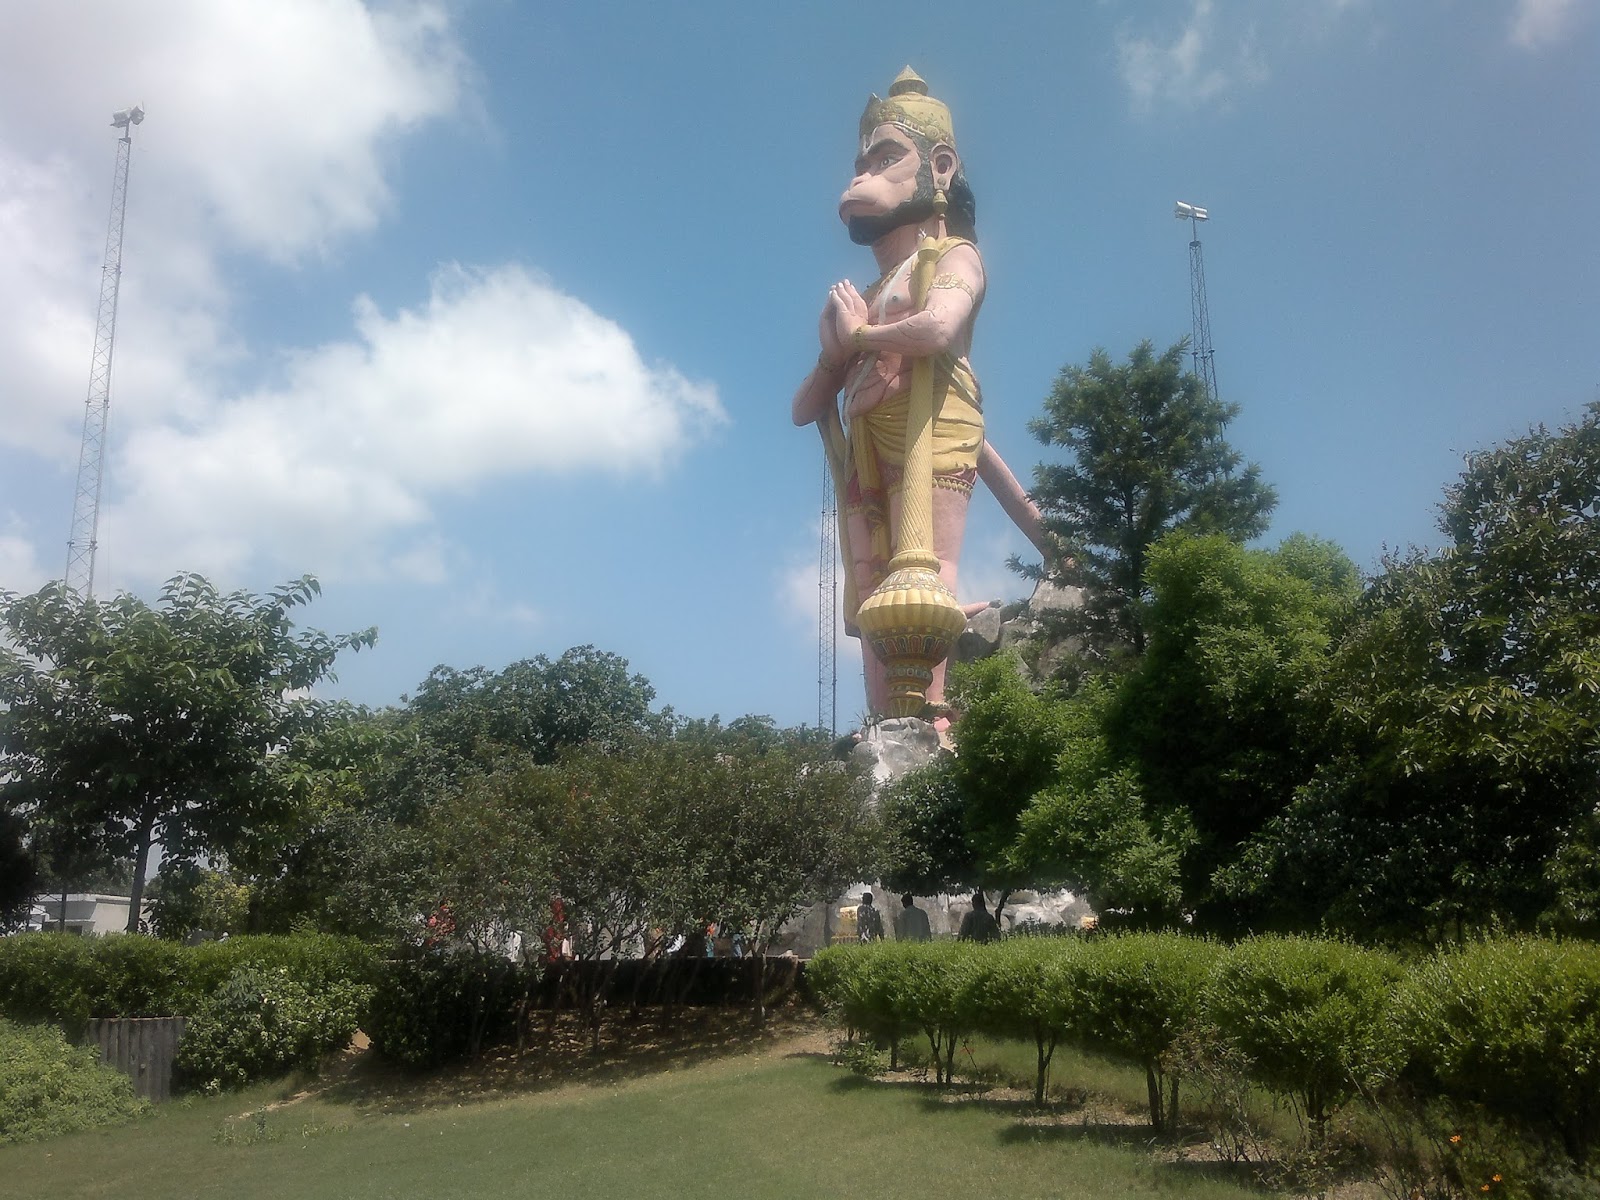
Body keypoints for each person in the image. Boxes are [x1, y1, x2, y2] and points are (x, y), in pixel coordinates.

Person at [792, 67, 1049, 719]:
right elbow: (802, 409)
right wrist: (835, 355)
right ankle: (887, 724)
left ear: (939, 167)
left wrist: (862, 337)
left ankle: (929, 720)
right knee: (872, 588)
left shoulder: (954, 256)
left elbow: (938, 328)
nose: (863, 177)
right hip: (866, 445)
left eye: (885, 159)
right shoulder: (867, 293)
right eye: (861, 164)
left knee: (925, 574)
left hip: (933, 428)